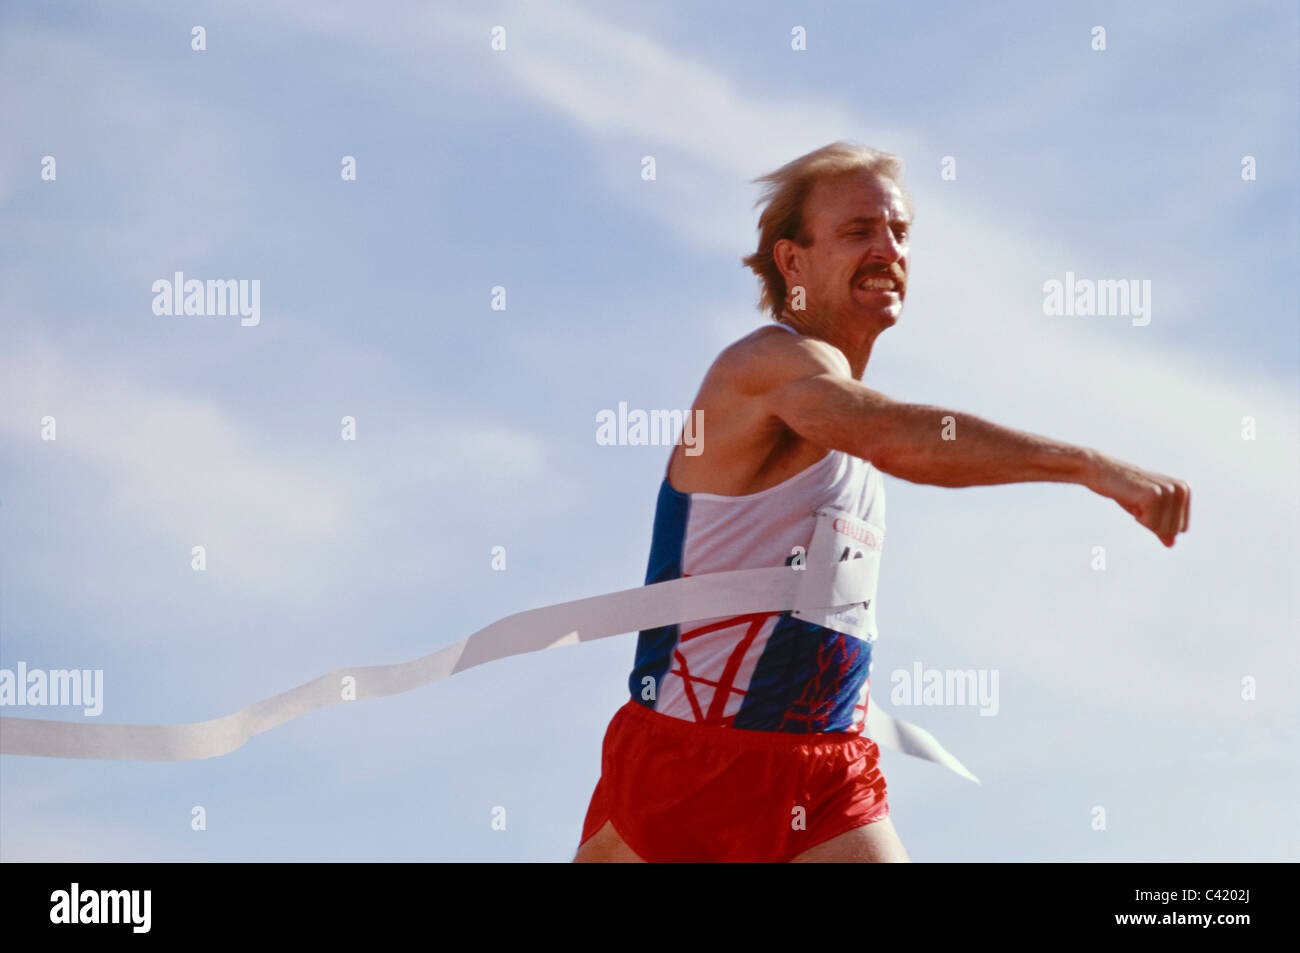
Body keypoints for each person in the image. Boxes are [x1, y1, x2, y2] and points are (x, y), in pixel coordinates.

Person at [573, 142, 1190, 863]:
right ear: (792, 263)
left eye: (898, 232)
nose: (888, 249)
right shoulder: (768, 366)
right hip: (696, 764)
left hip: (826, 764)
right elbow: (892, 434)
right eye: (859, 230)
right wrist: (1086, 464)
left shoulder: (844, 434)